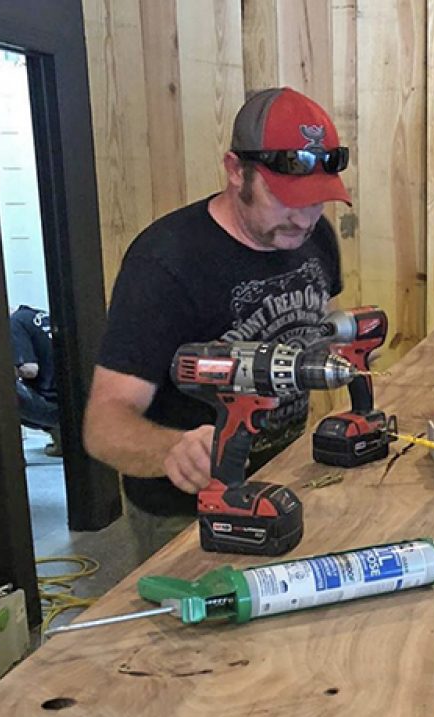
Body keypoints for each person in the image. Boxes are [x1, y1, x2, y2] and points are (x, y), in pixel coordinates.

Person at [84, 87, 351, 557]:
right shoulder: (165, 263)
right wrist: (172, 449)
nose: (304, 218)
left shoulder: (316, 237)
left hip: (285, 481)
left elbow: (312, 328)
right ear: (234, 170)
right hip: (189, 514)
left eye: (317, 201)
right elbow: (103, 425)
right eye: (286, 197)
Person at [11, 304, 62, 457]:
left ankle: (9, 459)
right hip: (74, 404)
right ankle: (62, 438)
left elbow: (30, 370)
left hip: (52, 408)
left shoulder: (14, 322)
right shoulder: (40, 316)